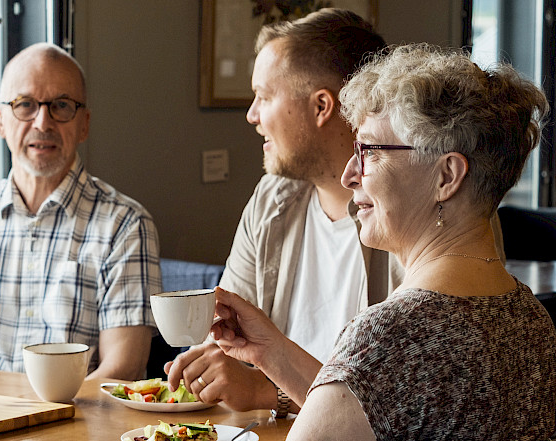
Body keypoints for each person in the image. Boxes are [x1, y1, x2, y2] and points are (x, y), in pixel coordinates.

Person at [42, 44, 555, 441]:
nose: (350, 173)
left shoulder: (394, 335)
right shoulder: (528, 320)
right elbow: (385, 425)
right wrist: (273, 353)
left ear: (446, 176)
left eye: (371, 151)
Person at [168, 11, 502, 418]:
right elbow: (227, 348)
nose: (252, 115)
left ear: (322, 106)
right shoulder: (272, 198)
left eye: (265, 97)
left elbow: (404, 412)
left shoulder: (428, 214)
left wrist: (267, 391)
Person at [0, 42, 161, 381]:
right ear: (0, 121)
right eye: (25, 105)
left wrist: (42, 413)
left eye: (61, 106)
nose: (43, 122)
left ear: (84, 124)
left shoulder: (125, 225)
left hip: (70, 414)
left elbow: (122, 371)